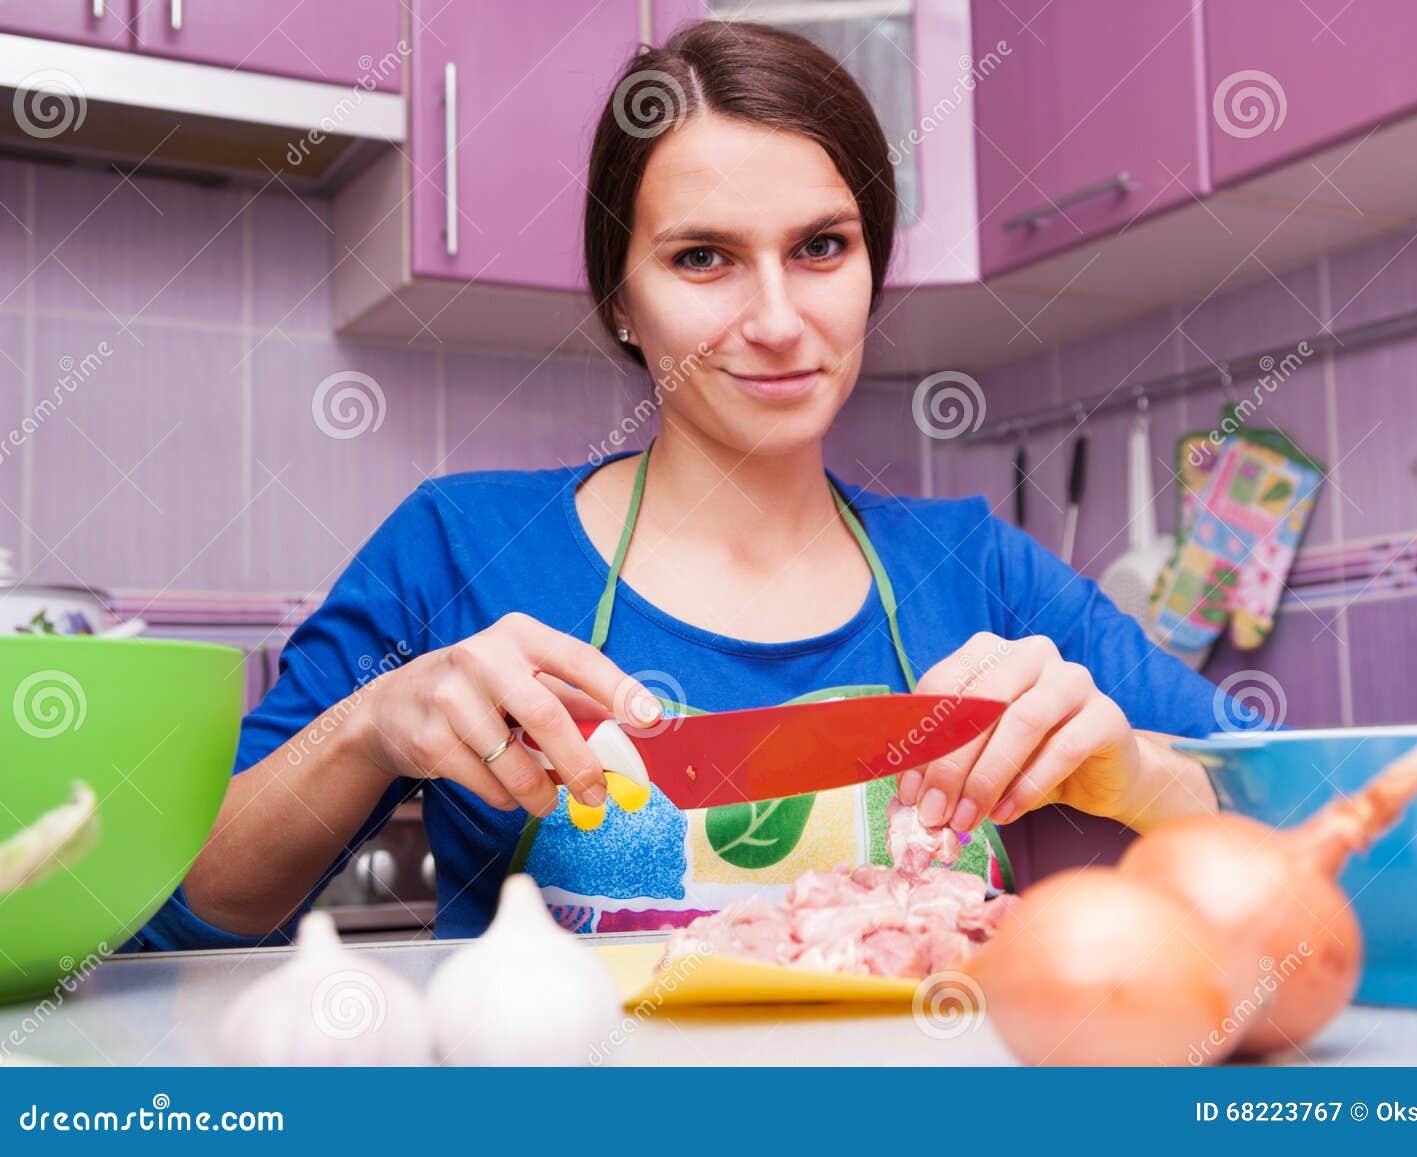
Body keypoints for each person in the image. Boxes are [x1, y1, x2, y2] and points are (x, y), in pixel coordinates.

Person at [124, 20, 1220, 950]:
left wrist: (1139, 777)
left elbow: (1303, 821)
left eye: (822, 246)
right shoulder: (458, 546)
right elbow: (175, 912)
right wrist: (371, 727)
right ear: (620, 297)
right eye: (703, 257)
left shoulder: (978, 567)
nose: (778, 319)